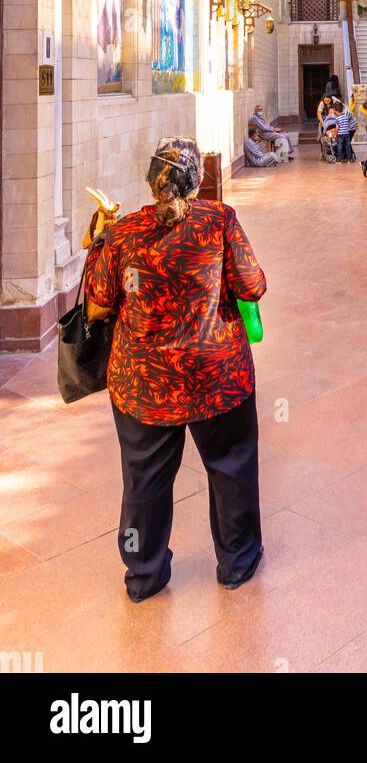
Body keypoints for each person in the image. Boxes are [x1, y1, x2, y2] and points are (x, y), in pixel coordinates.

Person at [83, 137, 266, 601]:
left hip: (143, 381)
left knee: (143, 481)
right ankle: (237, 561)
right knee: (232, 469)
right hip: (216, 374)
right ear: (196, 181)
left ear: (150, 181)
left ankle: (143, 575)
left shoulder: (124, 232)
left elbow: (98, 304)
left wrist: (102, 234)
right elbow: (252, 285)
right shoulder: (219, 220)